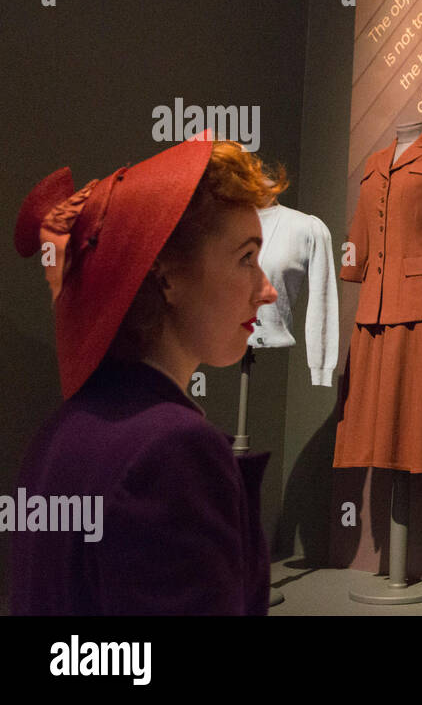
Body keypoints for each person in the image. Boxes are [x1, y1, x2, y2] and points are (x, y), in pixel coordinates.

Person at [9, 132, 288, 615]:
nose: (267, 291)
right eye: (246, 257)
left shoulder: (58, 433)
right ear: (165, 274)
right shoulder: (172, 452)